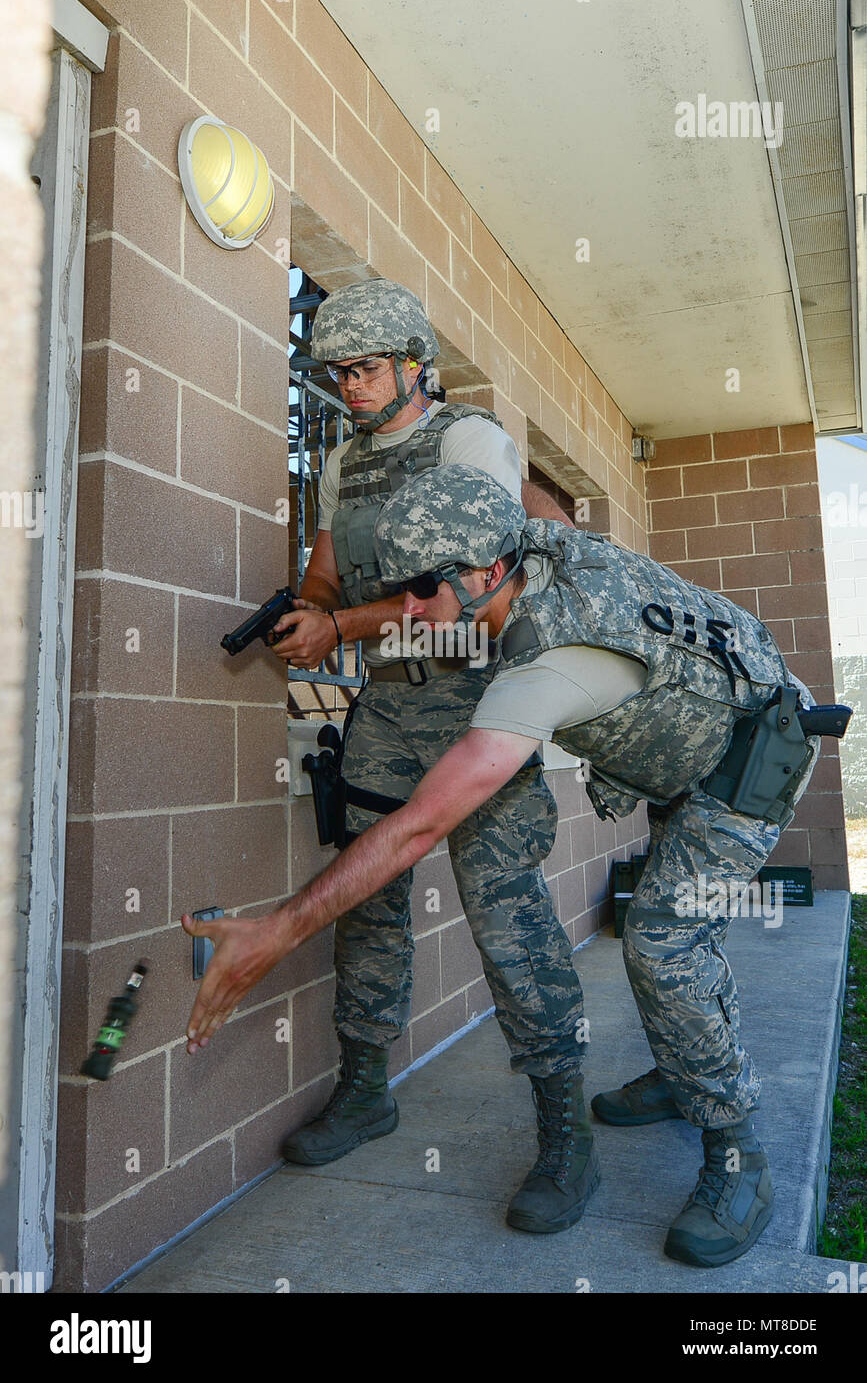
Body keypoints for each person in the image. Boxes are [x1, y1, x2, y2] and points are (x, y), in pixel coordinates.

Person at [183, 462, 836, 1265]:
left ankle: (739, 1156)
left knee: (664, 943)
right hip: (687, 729)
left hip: (753, 750)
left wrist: (277, 931)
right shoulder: (533, 544)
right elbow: (525, 504)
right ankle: (681, 1068)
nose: (410, 610)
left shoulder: (544, 668)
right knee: (673, 943)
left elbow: (421, 826)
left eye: (424, 588)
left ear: (490, 572)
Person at [231, 278, 597, 1235]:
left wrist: (342, 624)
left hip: (482, 701)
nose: (348, 385)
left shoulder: (470, 443)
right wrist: (309, 612)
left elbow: (458, 585)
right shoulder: (345, 460)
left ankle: (566, 1135)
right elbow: (322, 563)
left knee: (503, 910)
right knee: (365, 899)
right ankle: (365, 1090)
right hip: (391, 707)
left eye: (364, 367)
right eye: (335, 371)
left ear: (411, 363)